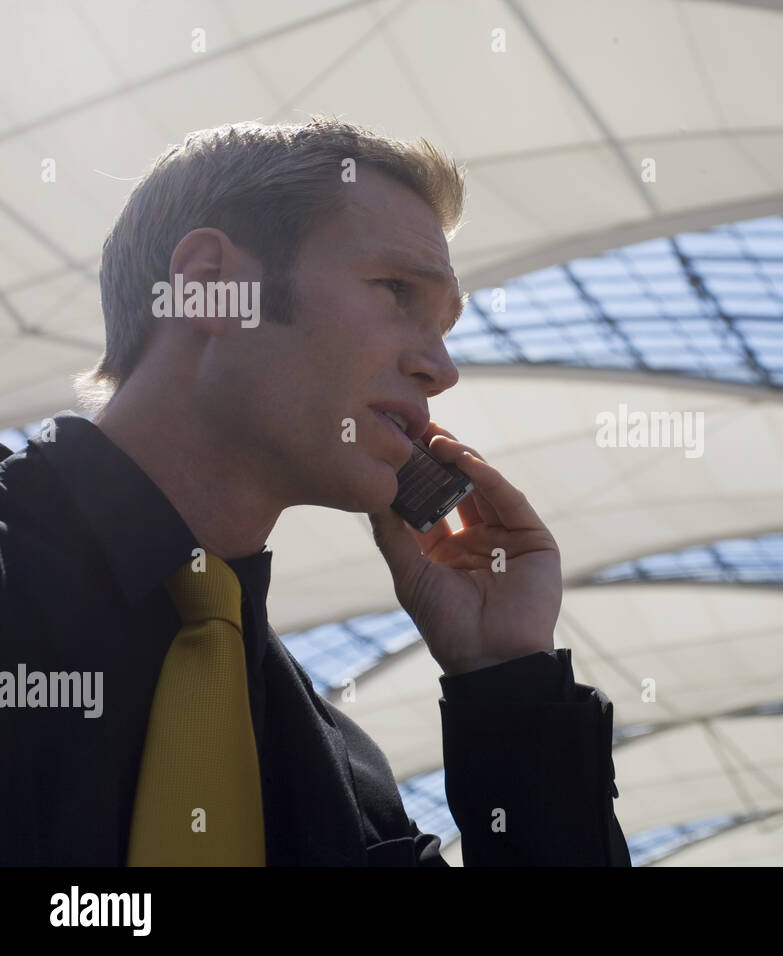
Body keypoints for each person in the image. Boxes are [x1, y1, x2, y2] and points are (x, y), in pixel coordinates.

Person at [0, 118, 631, 866]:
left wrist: (510, 682)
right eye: (397, 290)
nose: (442, 368)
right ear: (209, 286)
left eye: (446, 328)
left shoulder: (347, 786)